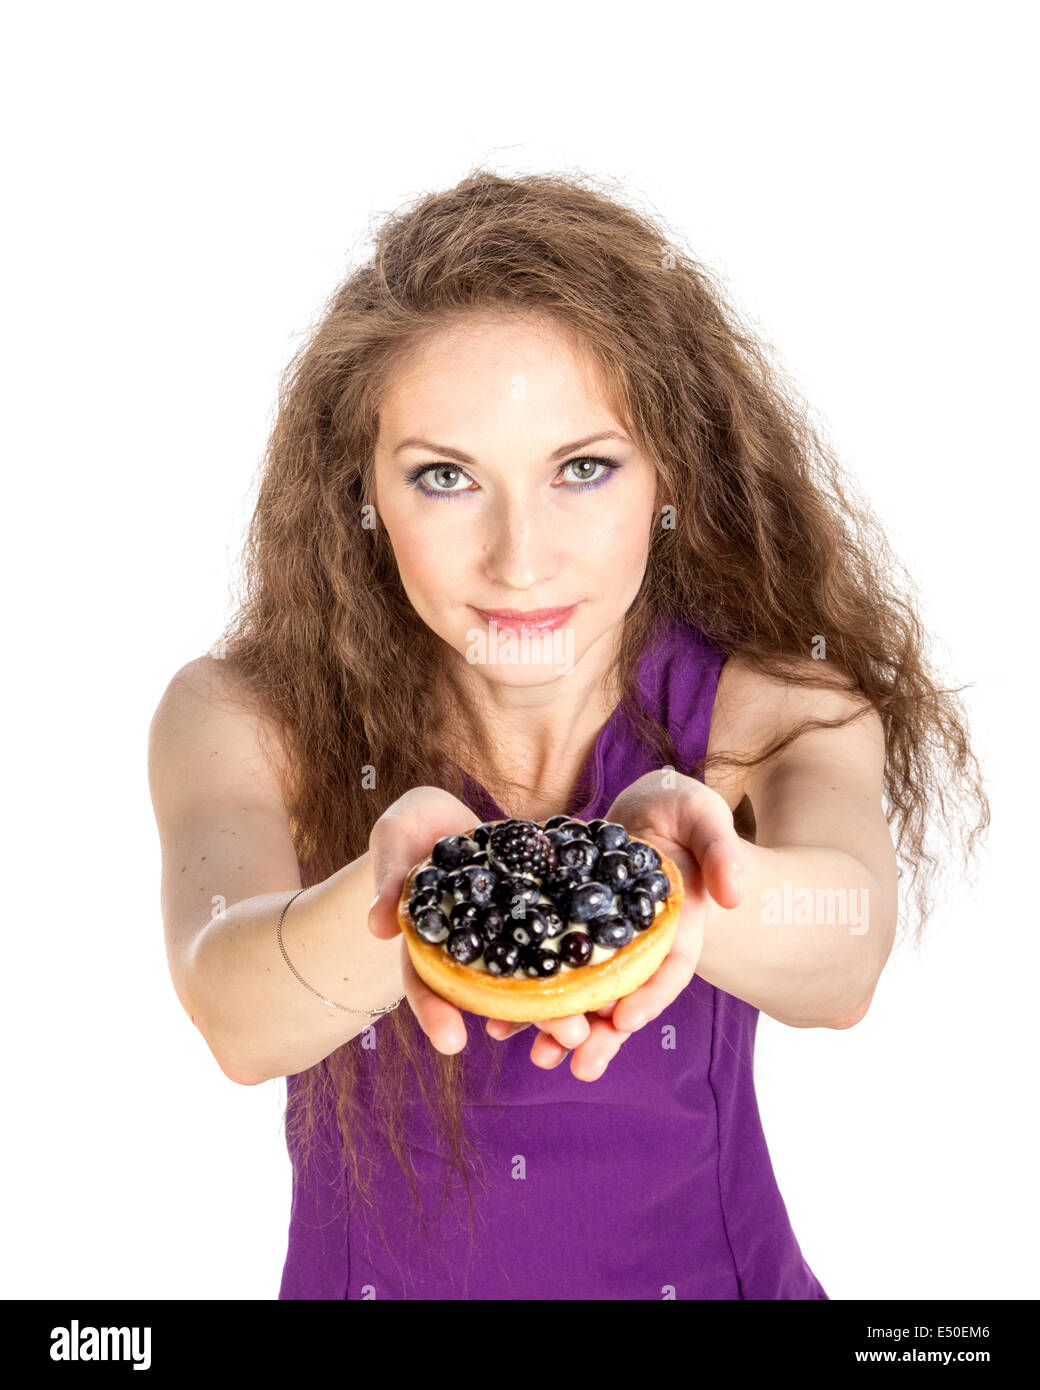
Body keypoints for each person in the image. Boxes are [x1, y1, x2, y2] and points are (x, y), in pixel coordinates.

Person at [147, 169, 989, 1300]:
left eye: (581, 469)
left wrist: (675, 891)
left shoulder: (780, 706)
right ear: (360, 495)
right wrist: (407, 903)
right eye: (445, 478)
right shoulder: (244, 716)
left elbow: (844, 955)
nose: (520, 558)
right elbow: (235, 1010)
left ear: (668, 474)